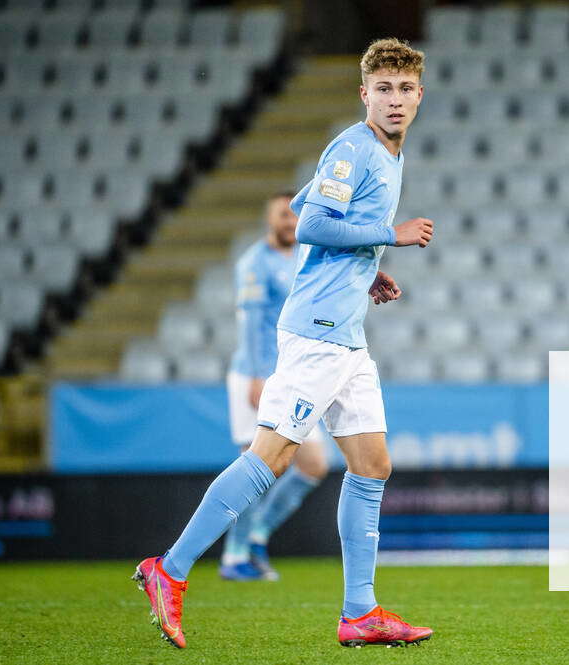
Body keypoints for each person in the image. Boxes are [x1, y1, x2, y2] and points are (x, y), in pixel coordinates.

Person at [133, 37, 435, 649]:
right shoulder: (355, 148)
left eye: (405, 89)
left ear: (419, 95)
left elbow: (308, 204)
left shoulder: (385, 153)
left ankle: (360, 613)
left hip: (347, 336)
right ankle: (168, 569)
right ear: (364, 95)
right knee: (269, 459)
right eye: (384, 89)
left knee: (372, 465)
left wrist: (367, 264)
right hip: (318, 333)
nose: (395, 100)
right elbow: (312, 224)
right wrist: (388, 236)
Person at [220, 189, 328, 582]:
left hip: (295, 374)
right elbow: (249, 323)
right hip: (259, 374)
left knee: (314, 465)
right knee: (255, 466)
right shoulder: (254, 263)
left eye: (293, 215)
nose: (289, 222)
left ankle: (257, 536)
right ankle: (234, 557)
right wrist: (255, 374)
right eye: (282, 215)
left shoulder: (306, 255)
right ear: (270, 220)